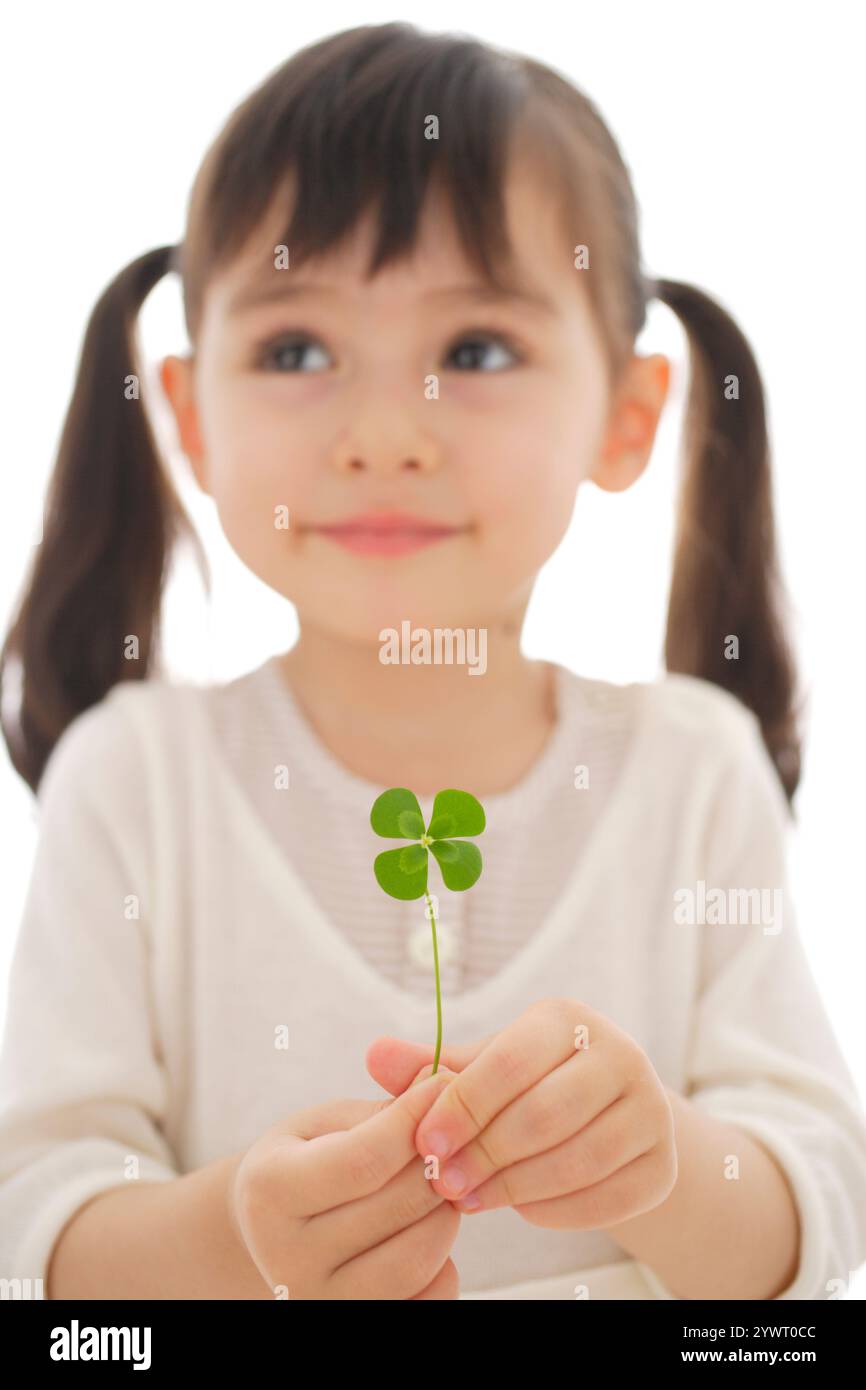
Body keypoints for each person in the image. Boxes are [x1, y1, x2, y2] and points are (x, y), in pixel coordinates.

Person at [1, 21, 864, 1301]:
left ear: (626, 416)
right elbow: (42, 1224)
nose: (385, 434)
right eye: (295, 351)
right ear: (188, 416)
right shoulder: (129, 779)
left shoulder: (694, 769)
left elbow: (814, 1201)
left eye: (475, 352)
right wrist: (234, 1238)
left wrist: (665, 1167)